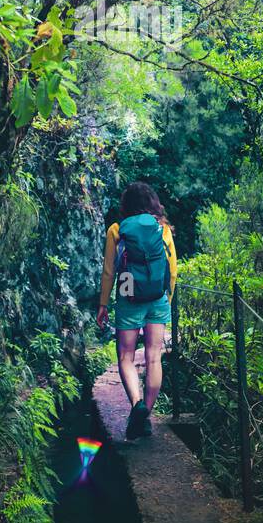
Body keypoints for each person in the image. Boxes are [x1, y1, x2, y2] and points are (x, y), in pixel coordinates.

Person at [97, 182, 177, 439]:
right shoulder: (162, 229)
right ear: (153, 203)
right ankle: (146, 416)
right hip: (156, 297)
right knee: (154, 356)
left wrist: (103, 304)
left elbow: (109, 270)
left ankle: (136, 404)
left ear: (126, 205)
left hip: (128, 295)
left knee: (126, 357)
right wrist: (167, 297)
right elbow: (172, 270)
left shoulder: (117, 230)